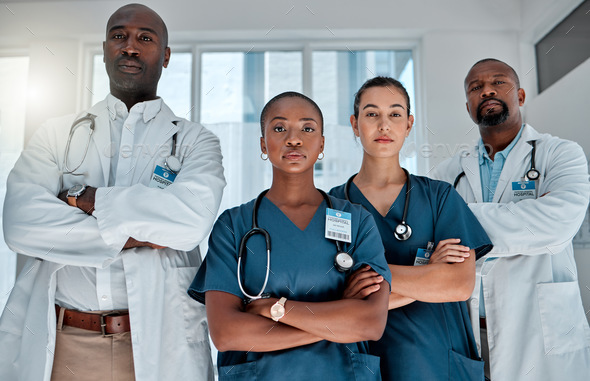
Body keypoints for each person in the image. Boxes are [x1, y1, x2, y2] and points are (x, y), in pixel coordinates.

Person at [0, 4, 224, 381]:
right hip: (64, 344)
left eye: (145, 38)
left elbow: (189, 224)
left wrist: (87, 200)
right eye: (119, 36)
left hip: (155, 344)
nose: (130, 47)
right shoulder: (56, 133)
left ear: (165, 56)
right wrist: (137, 235)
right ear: (105, 49)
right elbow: (20, 223)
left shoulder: (195, 141)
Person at [188, 91, 391, 380]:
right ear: (263, 143)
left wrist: (274, 308)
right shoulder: (234, 225)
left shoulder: (357, 221)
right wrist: (333, 320)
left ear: (322, 143)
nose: (293, 139)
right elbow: (226, 333)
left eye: (307, 129)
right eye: (279, 128)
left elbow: (369, 323)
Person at [431, 58, 590, 380]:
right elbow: (429, 236)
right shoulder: (447, 172)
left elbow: (556, 224)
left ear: (519, 95)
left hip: (540, 331)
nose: (486, 90)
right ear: (468, 106)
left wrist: (455, 221)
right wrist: (527, 216)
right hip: (470, 328)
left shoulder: (561, 154)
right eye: (475, 87)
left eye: (498, 82)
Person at [330, 76, 493, 380]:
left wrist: (366, 277)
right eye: (371, 114)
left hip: (439, 362)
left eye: (394, 114)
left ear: (409, 123)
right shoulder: (331, 207)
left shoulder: (439, 196)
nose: (384, 124)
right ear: (354, 124)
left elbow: (458, 285)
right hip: (368, 363)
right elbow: (336, 303)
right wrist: (430, 272)